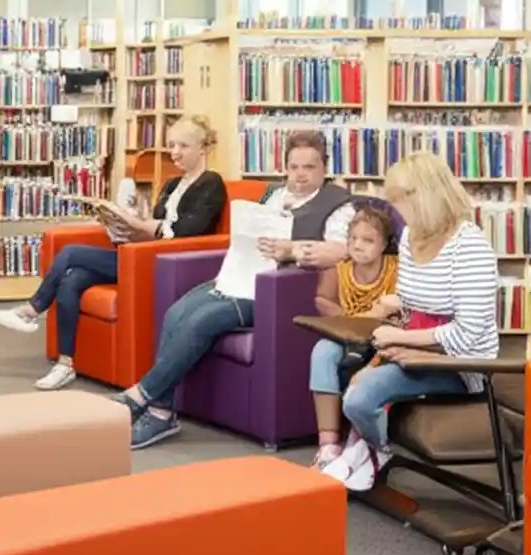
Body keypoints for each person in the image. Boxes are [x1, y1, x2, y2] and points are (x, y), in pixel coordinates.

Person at [114, 129, 356, 450]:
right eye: (293, 167)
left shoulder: (339, 205)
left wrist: (293, 249)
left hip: (279, 289)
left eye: (309, 167)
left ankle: (141, 396)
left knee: (203, 320)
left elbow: (341, 251)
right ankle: (162, 411)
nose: (300, 175)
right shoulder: (274, 195)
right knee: (176, 312)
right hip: (242, 273)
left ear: (324, 168)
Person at [0, 117, 228, 390]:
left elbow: (187, 232)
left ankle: (32, 309)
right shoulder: (172, 185)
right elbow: (157, 225)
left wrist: (139, 224)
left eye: (183, 146)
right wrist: (124, 222)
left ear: (203, 148)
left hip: (161, 263)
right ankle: (65, 364)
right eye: (171, 145)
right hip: (141, 253)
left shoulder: (210, 183)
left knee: (70, 253)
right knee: (72, 279)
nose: (174, 152)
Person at [321, 151, 499, 491]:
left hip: (461, 364)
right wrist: (392, 312)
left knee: (359, 397)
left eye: (399, 200)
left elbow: (468, 334)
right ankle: (362, 450)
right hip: (415, 345)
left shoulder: (469, 247)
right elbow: (413, 301)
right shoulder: (410, 237)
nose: (395, 210)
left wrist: (404, 341)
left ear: (424, 198)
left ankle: (376, 452)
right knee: (341, 364)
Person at [306, 205, 400, 470]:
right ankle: (328, 444)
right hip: (347, 335)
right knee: (322, 351)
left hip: (387, 337)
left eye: (368, 240)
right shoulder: (338, 270)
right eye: (353, 239)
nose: (358, 245)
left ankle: (360, 443)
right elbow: (323, 300)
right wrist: (349, 319)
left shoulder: (398, 269)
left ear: (384, 244)